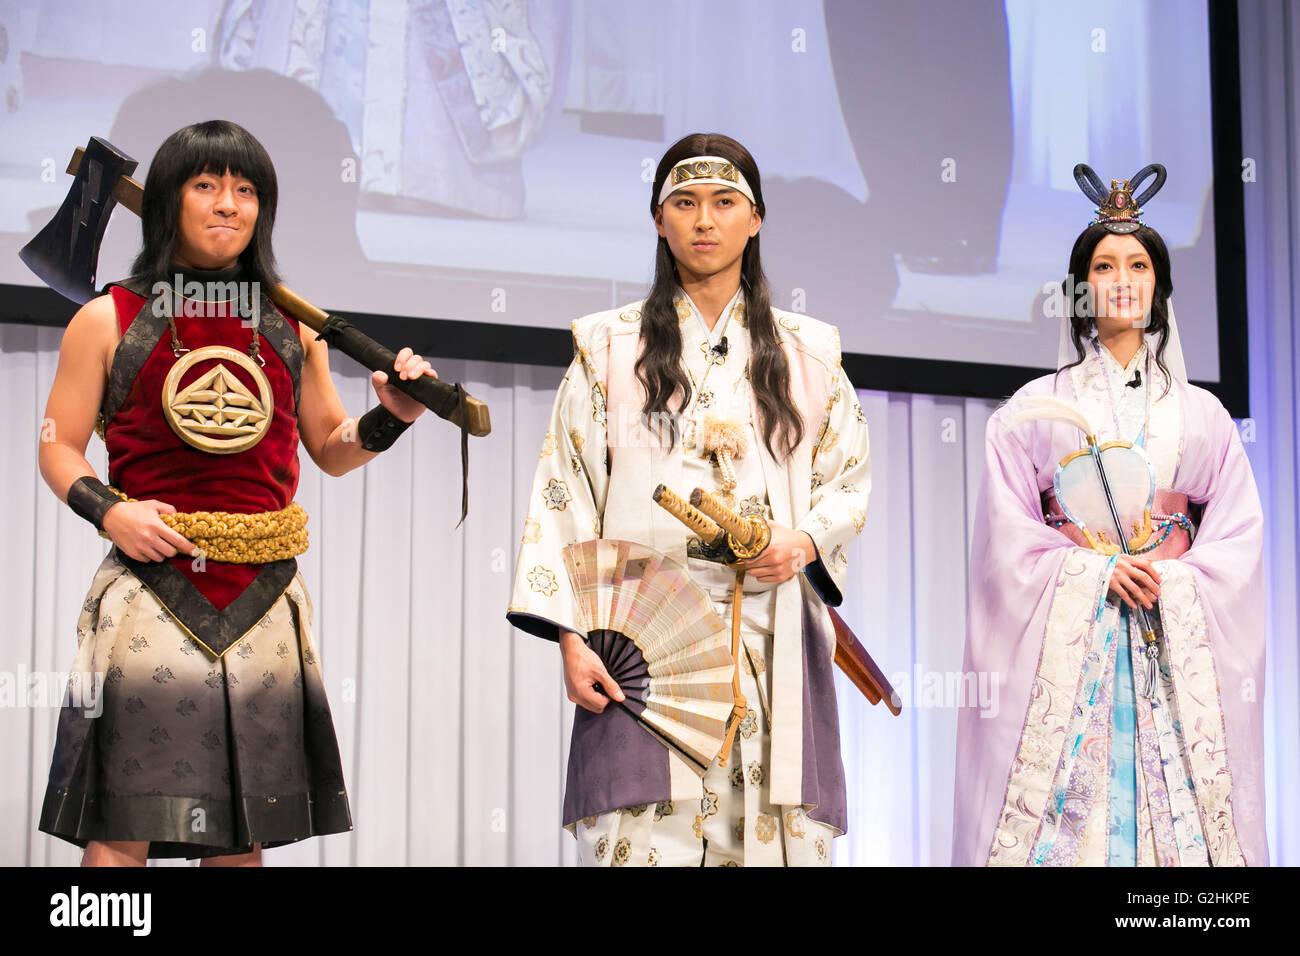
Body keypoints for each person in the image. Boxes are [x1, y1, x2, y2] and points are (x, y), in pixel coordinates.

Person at [37, 120, 436, 865]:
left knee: (240, 834)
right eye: (207, 185)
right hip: (150, 594)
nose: (229, 204)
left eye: (246, 190)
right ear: (167, 203)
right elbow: (57, 444)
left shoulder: (292, 326)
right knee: (123, 826)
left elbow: (331, 450)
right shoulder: (106, 319)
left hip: (262, 600)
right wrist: (111, 511)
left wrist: (394, 417)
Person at [506, 133, 871, 866]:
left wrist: (799, 543)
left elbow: (848, 480)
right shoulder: (608, 351)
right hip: (644, 641)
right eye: (685, 203)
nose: (705, 220)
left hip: (768, 630)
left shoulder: (809, 355)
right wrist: (572, 637)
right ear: (658, 220)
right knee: (647, 832)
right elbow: (565, 495)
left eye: (724, 203)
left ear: (755, 219)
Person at [952, 165, 1267, 866]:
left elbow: (1238, 538)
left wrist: (1175, 581)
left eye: (1138, 264)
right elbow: (1007, 542)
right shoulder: (1032, 410)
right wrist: (1090, 573)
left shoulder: (1203, 415)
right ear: (1079, 288)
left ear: (1159, 287)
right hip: (1079, 638)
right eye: (1102, 265)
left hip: (1167, 626)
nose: (1121, 278)